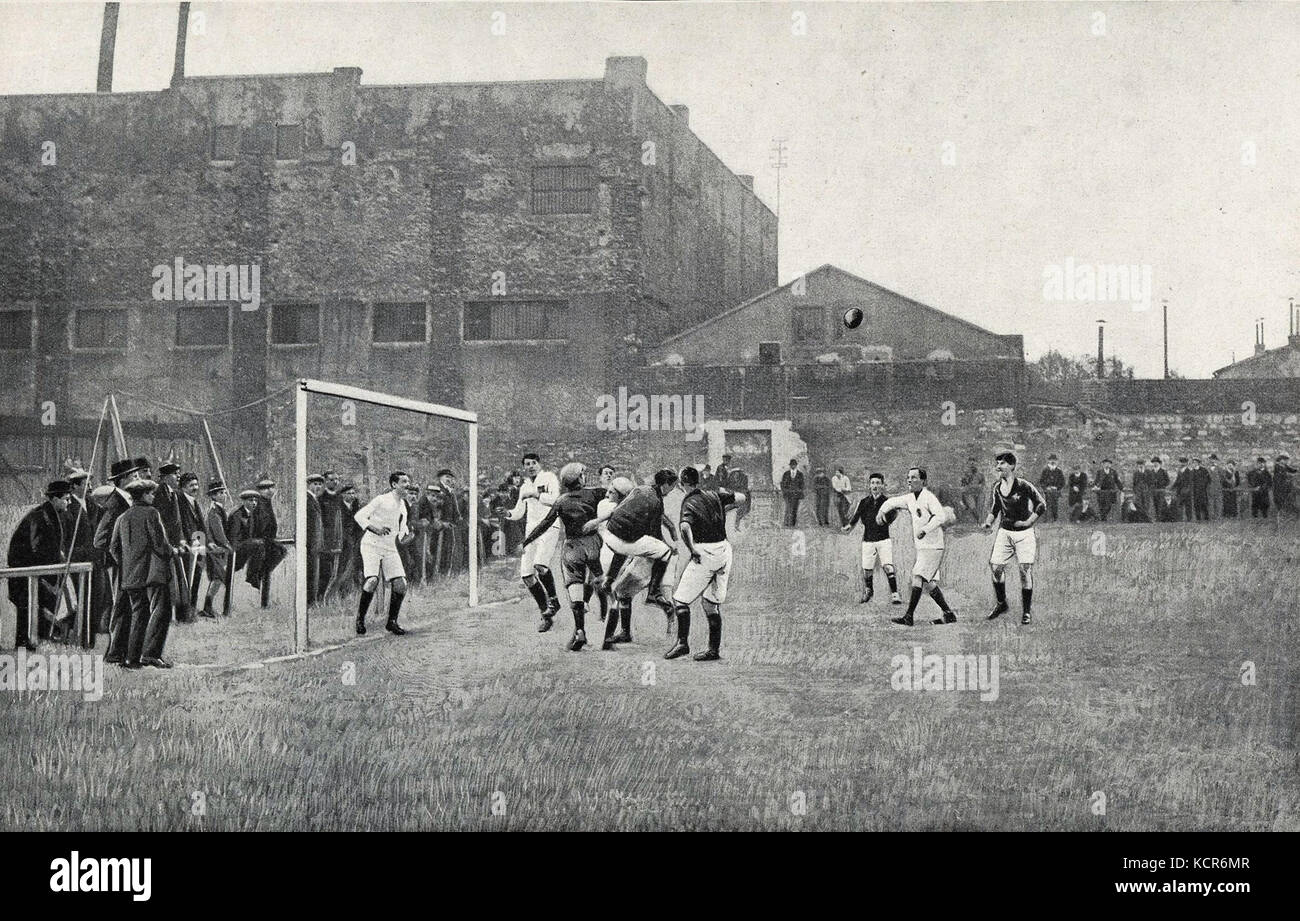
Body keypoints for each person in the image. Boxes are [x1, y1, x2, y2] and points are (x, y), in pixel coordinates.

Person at [521, 463, 606, 652]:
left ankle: (580, 631)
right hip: (592, 543)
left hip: (572, 547)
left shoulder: (561, 501)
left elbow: (545, 523)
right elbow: (619, 496)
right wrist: (600, 520)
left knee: (574, 589)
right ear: (579, 479)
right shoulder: (594, 493)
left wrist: (527, 540)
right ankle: (607, 611)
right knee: (598, 577)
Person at [665, 465, 744, 661]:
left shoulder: (689, 501)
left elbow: (684, 527)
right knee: (711, 603)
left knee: (681, 600)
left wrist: (692, 550)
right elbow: (741, 497)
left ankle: (683, 644)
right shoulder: (714, 495)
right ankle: (713, 650)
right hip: (724, 550)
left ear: (682, 484)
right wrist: (724, 506)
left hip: (705, 552)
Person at [589, 469, 680, 636]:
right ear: (666, 485)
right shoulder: (654, 502)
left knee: (630, 591)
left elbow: (651, 530)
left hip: (636, 551)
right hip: (641, 551)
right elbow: (654, 531)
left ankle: (666, 616)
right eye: (672, 486)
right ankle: (630, 627)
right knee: (624, 592)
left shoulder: (641, 491)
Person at [877, 467, 957, 627]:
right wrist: (881, 511)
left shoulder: (929, 498)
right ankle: (948, 614)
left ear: (923, 481)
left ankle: (909, 616)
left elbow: (940, 516)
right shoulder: (909, 499)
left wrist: (925, 529)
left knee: (917, 576)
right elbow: (892, 502)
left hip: (933, 546)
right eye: (908, 477)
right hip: (923, 547)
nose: (909, 480)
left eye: (913, 477)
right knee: (928, 583)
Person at [107, 479, 175, 668]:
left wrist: (127, 563)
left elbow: (113, 548)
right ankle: (151, 654)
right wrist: (172, 551)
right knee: (162, 610)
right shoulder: (152, 513)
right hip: (152, 573)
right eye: (151, 493)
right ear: (144, 495)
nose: (153, 496)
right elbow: (160, 544)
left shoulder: (122, 517)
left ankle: (131, 658)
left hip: (130, 575)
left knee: (138, 614)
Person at [6, 480, 73, 649]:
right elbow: (36, 548)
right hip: (26, 574)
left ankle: (36, 643)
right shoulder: (39, 516)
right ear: (54, 499)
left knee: (40, 610)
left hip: (38, 574)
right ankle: (25, 646)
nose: (69, 502)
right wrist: (57, 557)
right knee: (29, 611)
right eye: (66, 498)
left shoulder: (53, 515)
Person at [983, 451, 1047, 626]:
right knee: (996, 567)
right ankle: (1001, 603)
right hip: (1004, 532)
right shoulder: (997, 488)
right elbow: (995, 509)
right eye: (997, 463)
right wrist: (988, 523)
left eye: (1002, 463)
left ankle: (1026, 612)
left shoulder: (1023, 485)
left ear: (1011, 466)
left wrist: (1028, 521)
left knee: (1024, 570)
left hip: (1024, 534)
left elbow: (1042, 504)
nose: (998, 466)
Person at [352, 471, 413, 636]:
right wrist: (376, 529)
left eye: (408, 482)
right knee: (372, 580)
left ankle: (391, 622)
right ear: (394, 484)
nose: (408, 485)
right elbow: (359, 516)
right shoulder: (381, 499)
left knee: (401, 584)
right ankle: (360, 620)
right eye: (404, 482)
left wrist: (406, 535)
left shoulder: (403, 505)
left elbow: (401, 531)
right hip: (371, 544)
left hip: (389, 547)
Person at [506, 453, 563, 630]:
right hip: (531, 532)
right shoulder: (524, 486)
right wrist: (508, 514)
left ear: (539, 464)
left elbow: (556, 501)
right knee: (527, 575)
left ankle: (553, 600)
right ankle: (545, 613)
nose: (530, 466)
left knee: (540, 565)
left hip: (549, 527)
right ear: (524, 467)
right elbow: (519, 511)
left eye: (533, 463)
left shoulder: (549, 478)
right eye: (527, 464)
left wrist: (537, 495)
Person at [842, 472, 902, 605]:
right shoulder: (864, 502)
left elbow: (894, 514)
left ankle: (895, 594)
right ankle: (869, 591)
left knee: (888, 566)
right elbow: (856, 516)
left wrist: (886, 519)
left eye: (878, 483)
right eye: (873, 483)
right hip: (868, 539)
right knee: (867, 569)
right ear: (869, 485)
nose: (875, 486)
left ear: (882, 485)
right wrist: (849, 526)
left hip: (883, 539)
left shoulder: (887, 502)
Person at [247, 478, 287, 593]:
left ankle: (260, 573)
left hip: (268, 539)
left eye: (271, 488)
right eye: (265, 489)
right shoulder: (258, 504)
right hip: (261, 539)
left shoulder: (267, 502)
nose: (269, 491)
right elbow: (256, 524)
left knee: (281, 551)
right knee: (279, 551)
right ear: (259, 491)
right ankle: (255, 575)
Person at [201, 480, 232, 617]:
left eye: (224, 492)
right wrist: (227, 545)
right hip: (216, 551)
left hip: (218, 550)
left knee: (217, 579)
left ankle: (209, 607)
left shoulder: (219, 510)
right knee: (219, 578)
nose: (224, 495)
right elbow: (218, 532)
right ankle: (210, 607)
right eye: (220, 493)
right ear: (213, 496)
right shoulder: (214, 512)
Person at [305, 474, 326, 604]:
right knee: (311, 574)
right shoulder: (307, 500)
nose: (318, 487)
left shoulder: (314, 500)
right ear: (309, 485)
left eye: (320, 484)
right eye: (315, 484)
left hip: (316, 544)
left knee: (315, 574)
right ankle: (310, 602)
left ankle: (312, 601)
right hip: (310, 544)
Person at [1038, 454, 1064, 521]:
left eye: (1054, 460)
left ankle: (1055, 518)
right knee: (1047, 504)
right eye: (1051, 460)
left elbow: (1062, 482)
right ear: (1048, 461)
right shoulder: (1045, 470)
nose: (1053, 461)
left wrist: (1057, 488)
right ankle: (1046, 518)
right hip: (1047, 490)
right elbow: (1041, 481)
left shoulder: (1059, 471)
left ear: (1056, 461)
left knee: (1055, 504)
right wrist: (1046, 488)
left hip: (1056, 491)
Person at [780, 459, 805, 527]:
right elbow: (782, 484)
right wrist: (784, 491)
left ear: (796, 465)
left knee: (794, 509)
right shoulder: (786, 474)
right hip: (788, 494)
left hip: (796, 495)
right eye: (791, 465)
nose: (793, 466)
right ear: (790, 466)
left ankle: (793, 524)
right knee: (788, 508)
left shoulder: (800, 474)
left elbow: (802, 484)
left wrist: (800, 491)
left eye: (794, 465)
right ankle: (786, 523)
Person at [1172, 457, 1193, 521]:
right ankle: (1180, 518)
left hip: (1187, 490)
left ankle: (1189, 518)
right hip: (1179, 490)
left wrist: (1188, 489)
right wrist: (1172, 487)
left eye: (1184, 462)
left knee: (1188, 505)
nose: (1182, 464)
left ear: (1186, 463)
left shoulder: (1189, 471)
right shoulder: (1180, 471)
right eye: (1181, 462)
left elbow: (1190, 481)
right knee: (1179, 504)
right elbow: (1177, 480)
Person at [1190, 458, 1211, 522]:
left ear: (1198, 463)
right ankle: (1198, 519)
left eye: (1195, 462)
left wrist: (1203, 485)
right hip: (1195, 491)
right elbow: (1191, 481)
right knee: (1196, 505)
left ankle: (1206, 518)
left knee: (1204, 504)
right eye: (1193, 463)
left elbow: (1208, 479)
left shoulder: (1204, 470)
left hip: (1202, 491)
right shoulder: (1192, 471)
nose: (1194, 464)